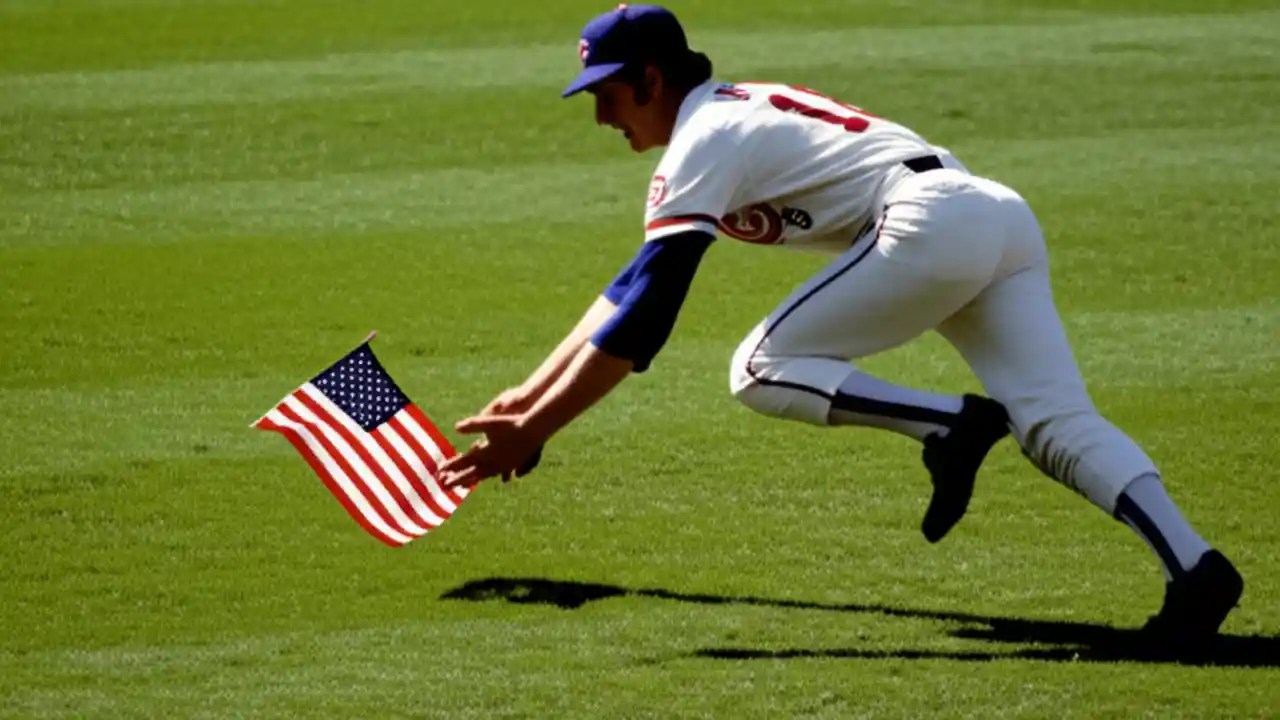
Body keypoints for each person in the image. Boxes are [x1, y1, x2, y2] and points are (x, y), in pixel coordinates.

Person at [438, 3, 1243, 644]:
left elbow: (650, 315)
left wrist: (538, 425)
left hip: (926, 222)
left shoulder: (702, 139)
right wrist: (530, 402)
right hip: (992, 215)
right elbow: (629, 286)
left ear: (651, 80)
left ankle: (949, 428)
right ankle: (1195, 568)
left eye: (608, 96)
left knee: (757, 366)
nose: (603, 118)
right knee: (1056, 422)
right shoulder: (720, 121)